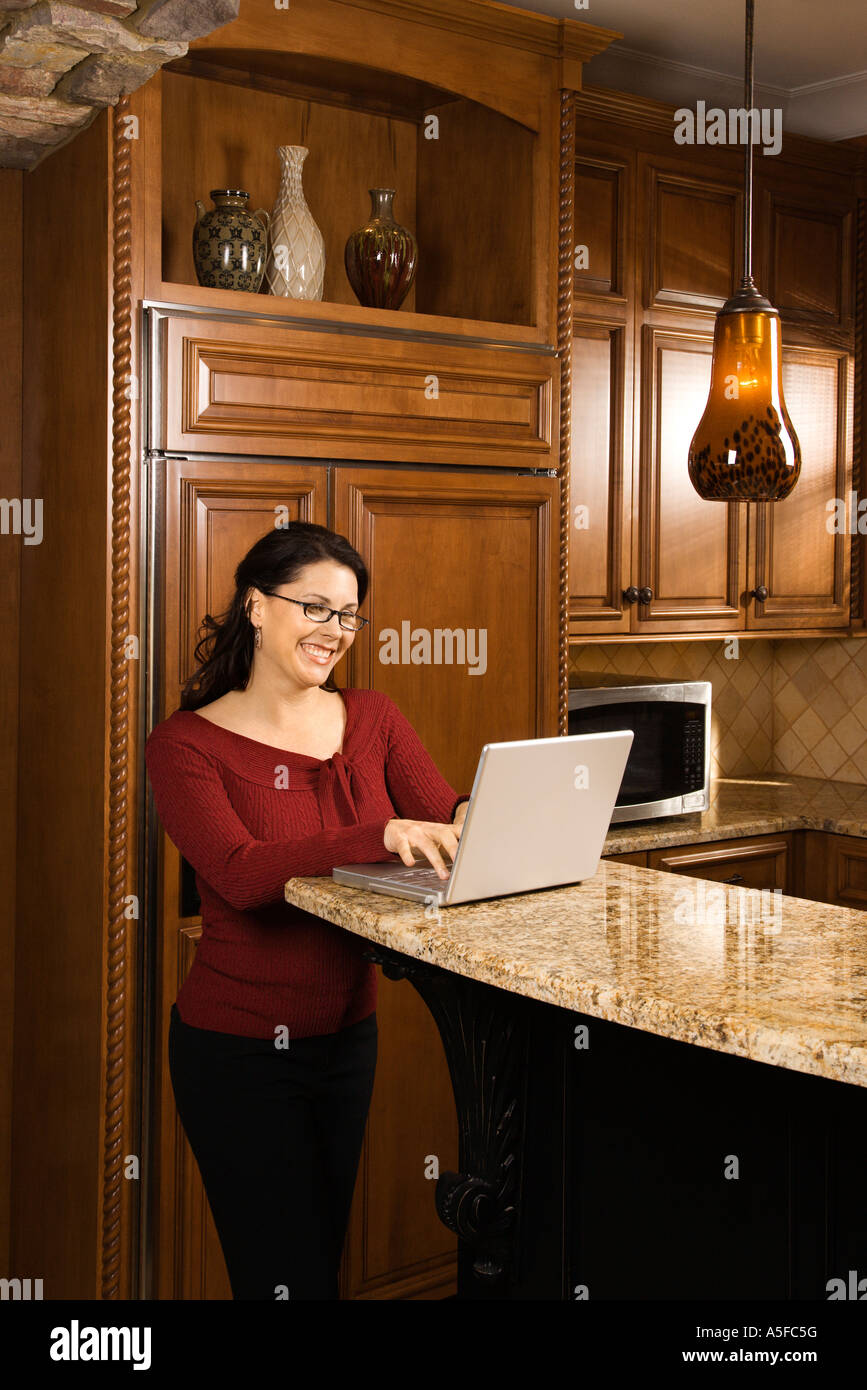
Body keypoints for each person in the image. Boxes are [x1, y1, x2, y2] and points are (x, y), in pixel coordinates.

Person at [145, 521, 471, 1300]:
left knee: (316, 1269)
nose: (334, 632)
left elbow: (447, 817)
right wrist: (380, 833)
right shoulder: (184, 745)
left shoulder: (375, 717)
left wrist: (489, 815)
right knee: (281, 1280)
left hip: (346, 1040)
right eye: (315, 608)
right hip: (237, 1053)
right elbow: (240, 873)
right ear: (257, 607)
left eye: (348, 615)